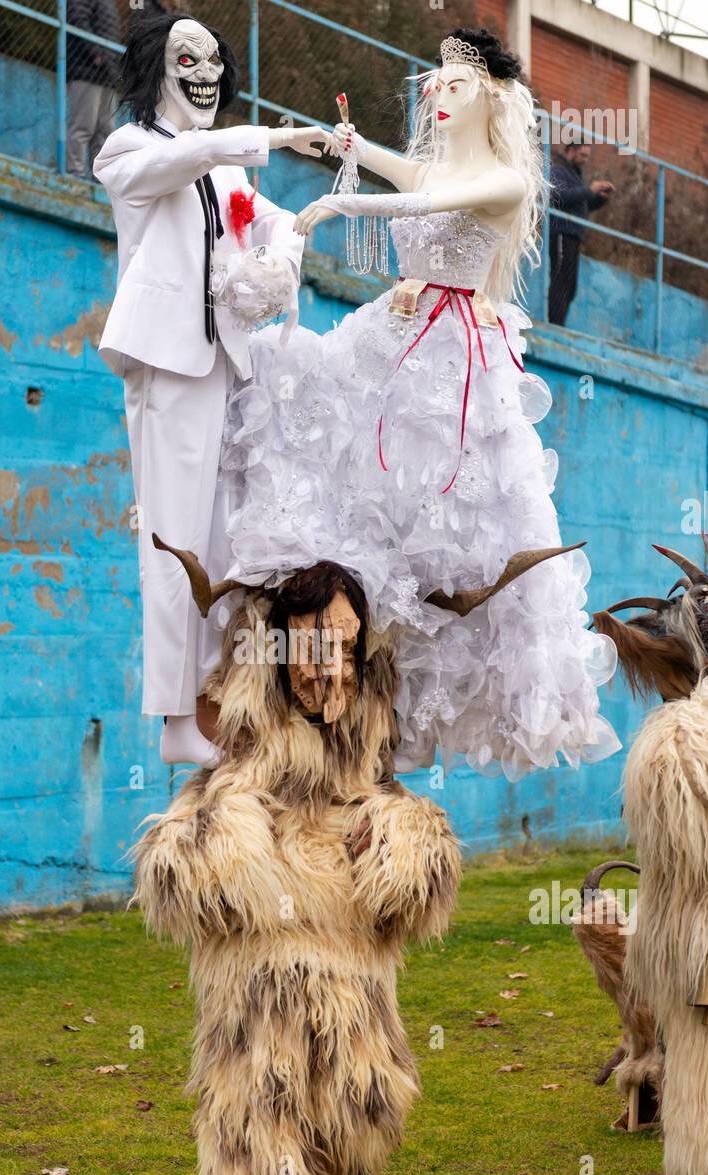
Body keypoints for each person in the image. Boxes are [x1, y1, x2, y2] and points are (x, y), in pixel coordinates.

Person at [219, 27, 620, 779]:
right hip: (393, 338)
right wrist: (349, 148)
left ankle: (408, 706)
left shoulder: (505, 181)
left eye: (455, 82)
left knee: (448, 520)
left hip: (453, 362)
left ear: (490, 99)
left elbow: (427, 199)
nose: (436, 90)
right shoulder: (438, 166)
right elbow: (407, 174)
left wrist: (342, 205)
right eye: (436, 79)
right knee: (308, 408)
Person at [93, 6, 323, 767]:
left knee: (223, 542)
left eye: (215, 61)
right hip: (167, 362)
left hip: (224, 362)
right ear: (156, 69)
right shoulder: (128, 149)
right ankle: (172, 721)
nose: (206, 75)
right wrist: (274, 139)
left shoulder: (223, 168)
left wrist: (285, 252)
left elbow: (274, 221)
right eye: (188, 60)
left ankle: (212, 702)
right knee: (172, 542)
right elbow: (183, 160)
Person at [548, 142, 614, 325]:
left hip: (574, 236)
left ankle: (559, 323)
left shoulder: (576, 175)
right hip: (561, 233)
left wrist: (600, 198)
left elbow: (582, 204)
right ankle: (555, 324)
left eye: (587, 156)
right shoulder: (559, 170)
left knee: (570, 286)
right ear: (571, 151)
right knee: (560, 281)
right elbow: (559, 197)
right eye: (582, 155)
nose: (585, 160)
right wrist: (589, 190)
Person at [66, 0, 122, 179]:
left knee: (104, 130)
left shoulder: (109, 4)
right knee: (83, 126)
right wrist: (96, 52)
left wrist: (110, 65)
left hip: (106, 73)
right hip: (87, 70)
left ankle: (99, 177)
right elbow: (77, 19)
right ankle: (75, 173)